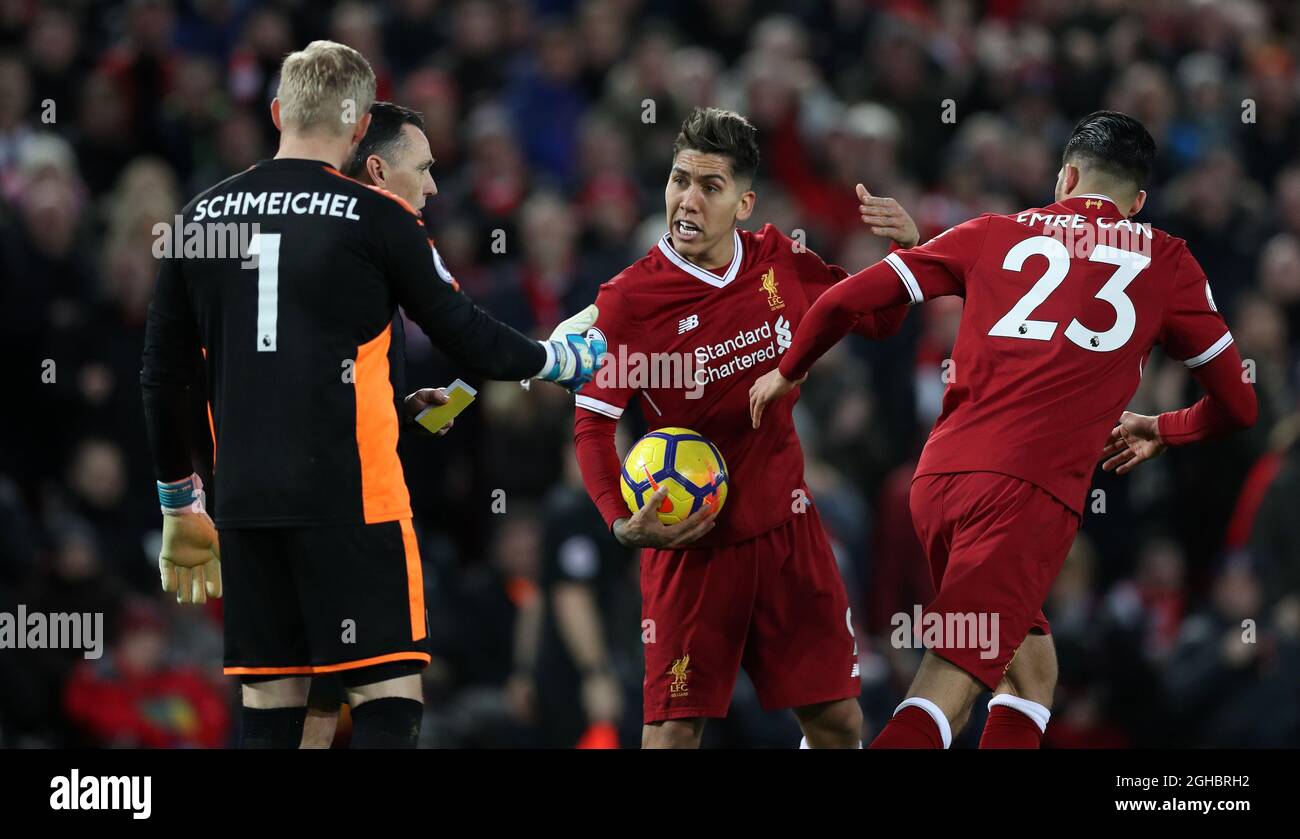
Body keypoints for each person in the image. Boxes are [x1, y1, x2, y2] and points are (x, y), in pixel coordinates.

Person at [140, 41, 602, 749]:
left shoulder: (199, 217)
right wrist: (557, 358)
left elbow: (166, 376)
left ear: (276, 112)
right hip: (351, 501)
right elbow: (465, 333)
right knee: (387, 701)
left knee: (276, 713)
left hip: (245, 504)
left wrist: (180, 501)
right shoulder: (373, 214)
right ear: (360, 130)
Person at [750, 110, 1258, 748]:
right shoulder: (1167, 260)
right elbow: (1239, 406)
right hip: (1024, 500)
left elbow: (841, 300)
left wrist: (788, 373)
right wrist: (1166, 426)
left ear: (1066, 176)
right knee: (949, 682)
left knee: (1031, 674)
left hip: (938, 483)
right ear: (1139, 201)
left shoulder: (993, 232)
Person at [573, 106, 917, 748]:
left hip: (789, 534)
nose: (687, 200)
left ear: (744, 202)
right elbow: (593, 425)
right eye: (679, 180)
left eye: (710, 187)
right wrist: (619, 520)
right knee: (673, 735)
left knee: (840, 723)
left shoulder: (780, 261)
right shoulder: (630, 299)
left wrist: (905, 254)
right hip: (692, 547)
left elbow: (878, 322)